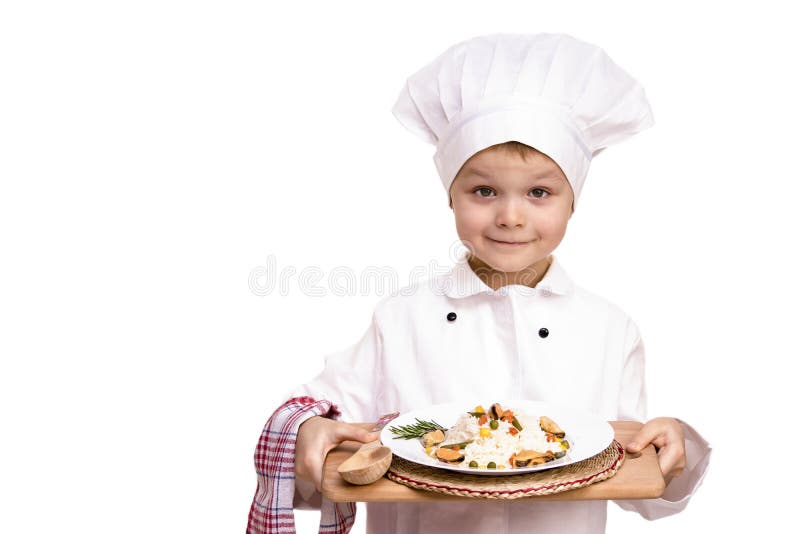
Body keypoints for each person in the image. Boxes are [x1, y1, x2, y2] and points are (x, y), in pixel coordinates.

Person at [246, 32, 711, 533]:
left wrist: (677, 446)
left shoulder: (609, 328)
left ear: (572, 201)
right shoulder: (402, 318)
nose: (511, 216)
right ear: (451, 196)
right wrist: (312, 428)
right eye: (483, 190)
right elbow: (323, 414)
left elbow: (641, 486)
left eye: (539, 192)